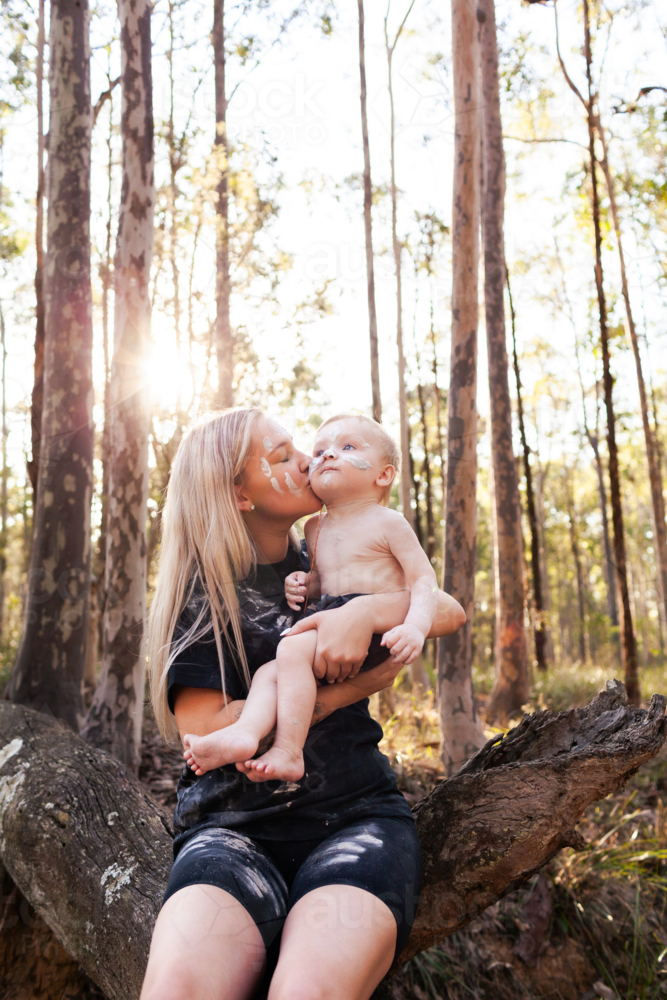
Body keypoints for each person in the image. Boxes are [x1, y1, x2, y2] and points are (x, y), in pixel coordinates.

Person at [141, 408, 466, 1000]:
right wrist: (355, 689)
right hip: (232, 831)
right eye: (284, 454)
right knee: (179, 988)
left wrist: (362, 611)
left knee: (308, 990)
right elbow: (206, 730)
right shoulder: (203, 596)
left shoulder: (328, 557)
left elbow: (443, 608)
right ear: (240, 493)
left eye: (304, 449)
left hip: (353, 820)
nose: (309, 461)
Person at [182, 414, 439, 783]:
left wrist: (404, 625)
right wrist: (307, 582)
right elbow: (329, 579)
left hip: (373, 638)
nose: (320, 457)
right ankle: (244, 734)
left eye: (347, 447)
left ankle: (288, 751)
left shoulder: (389, 522)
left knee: (288, 652)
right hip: (329, 634)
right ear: (240, 495)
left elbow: (429, 587)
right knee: (272, 672)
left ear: (382, 475)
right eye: (320, 450)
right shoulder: (314, 530)